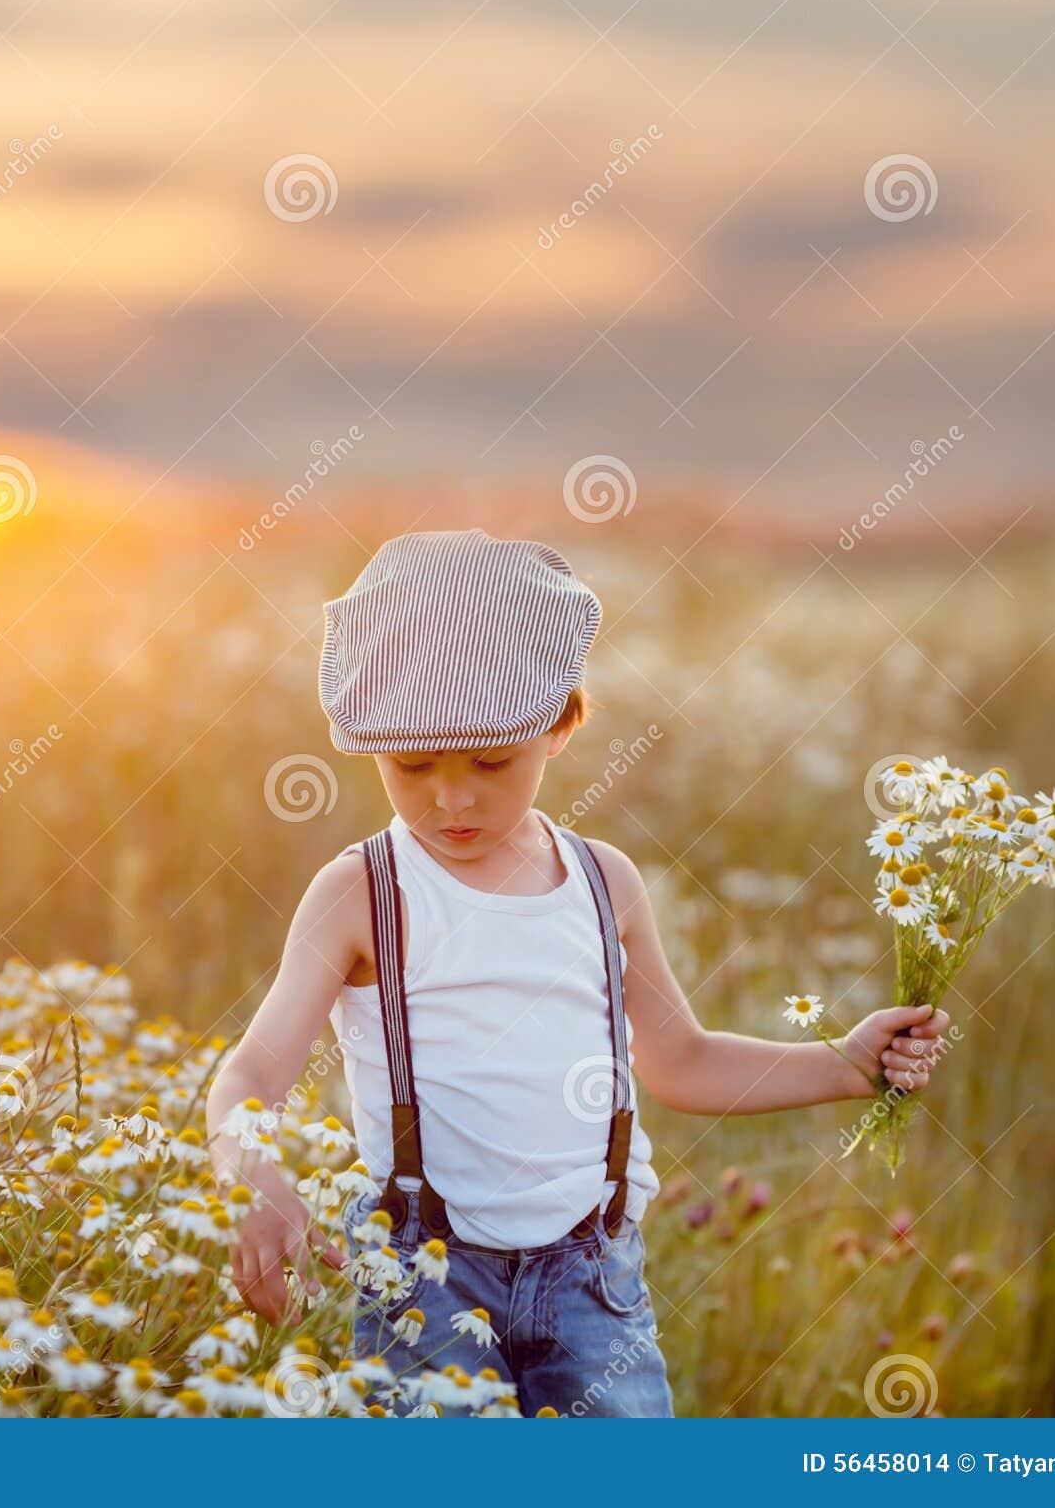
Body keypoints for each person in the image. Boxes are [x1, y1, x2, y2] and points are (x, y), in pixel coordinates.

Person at [206, 527, 952, 1416]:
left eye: (491, 762)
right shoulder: (361, 893)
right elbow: (251, 1074)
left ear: (560, 725)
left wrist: (843, 1062)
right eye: (412, 766)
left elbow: (679, 1060)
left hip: (595, 1288)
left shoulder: (605, 885)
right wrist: (255, 1180)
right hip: (422, 1289)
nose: (452, 798)